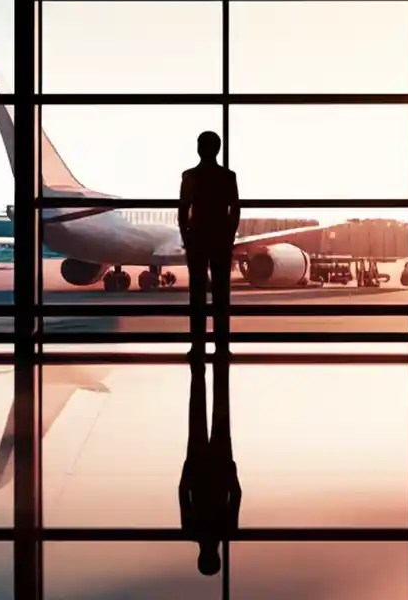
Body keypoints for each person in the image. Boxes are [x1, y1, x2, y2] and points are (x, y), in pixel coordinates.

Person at [178, 131, 240, 356]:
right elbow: (235, 209)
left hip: (197, 238)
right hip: (220, 238)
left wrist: (186, 237)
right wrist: (230, 235)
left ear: (199, 148)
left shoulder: (190, 176)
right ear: (218, 148)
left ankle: (197, 346)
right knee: (222, 295)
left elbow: (183, 209)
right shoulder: (228, 176)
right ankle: (222, 347)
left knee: (197, 296)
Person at [178, 356, 241, 576]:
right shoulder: (191, 531)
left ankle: (219, 363)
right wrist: (187, 471)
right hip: (198, 466)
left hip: (220, 466)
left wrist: (231, 472)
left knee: (219, 410)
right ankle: (199, 366)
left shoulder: (226, 531)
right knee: (197, 412)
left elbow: (236, 496)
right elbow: (184, 495)